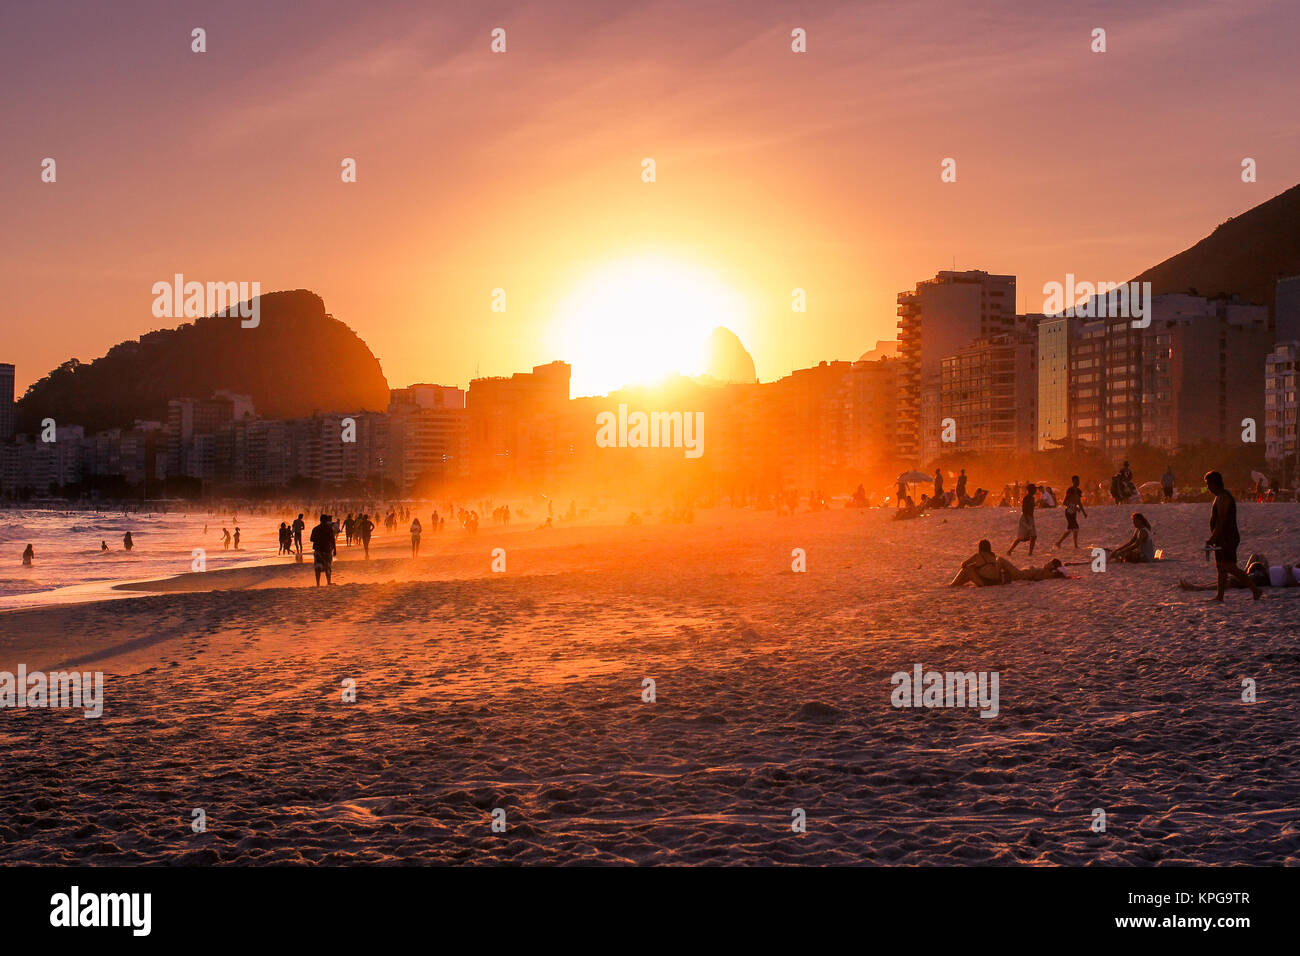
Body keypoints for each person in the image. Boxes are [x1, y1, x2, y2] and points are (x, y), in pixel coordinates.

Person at [1204, 470, 1261, 601]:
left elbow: (1221, 520)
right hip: (1221, 538)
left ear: (1214, 483)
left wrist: (1212, 538)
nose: (1207, 487)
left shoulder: (1224, 497)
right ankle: (1220, 596)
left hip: (1227, 538)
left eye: (1208, 484)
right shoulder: (1219, 496)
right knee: (1221, 568)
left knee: (1229, 567)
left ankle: (1255, 590)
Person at [1056, 475, 1088, 549]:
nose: (1078, 482)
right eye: (1076, 481)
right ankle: (1061, 543)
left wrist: (1083, 512)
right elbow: (1065, 502)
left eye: (1078, 481)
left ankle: (1063, 543)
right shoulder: (1070, 490)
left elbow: (1079, 502)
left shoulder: (1079, 491)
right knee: (1074, 528)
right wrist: (1074, 507)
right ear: (1073, 481)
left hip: (1073, 512)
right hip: (1069, 512)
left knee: (1072, 528)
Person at [1008, 483, 1038, 556]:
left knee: (1033, 536)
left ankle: (1030, 553)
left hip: (1029, 518)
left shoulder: (1031, 498)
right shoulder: (1027, 498)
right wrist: (1027, 521)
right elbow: (1024, 510)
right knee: (1022, 537)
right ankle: (1010, 550)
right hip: (1026, 518)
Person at [309, 513, 337, 586]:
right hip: (327, 550)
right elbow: (332, 540)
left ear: (320, 520)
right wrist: (335, 550)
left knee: (318, 567)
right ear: (326, 520)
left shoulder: (316, 529)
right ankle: (328, 582)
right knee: (328, 566)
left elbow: (311, 539)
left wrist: (318, 539)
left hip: (318, 550)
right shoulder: (329, 528)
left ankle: (318, 583)